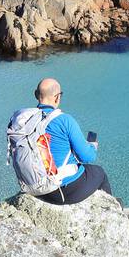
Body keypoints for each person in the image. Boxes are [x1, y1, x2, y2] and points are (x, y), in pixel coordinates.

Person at [31, 77, 113, 205]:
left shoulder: (24, 121)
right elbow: (87, 157)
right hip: (61, 192)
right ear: (57, 97)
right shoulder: (64, 120)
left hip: (35, 188)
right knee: (99, 173)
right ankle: (110, 208)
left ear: (36, 95)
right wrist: (92, 146)